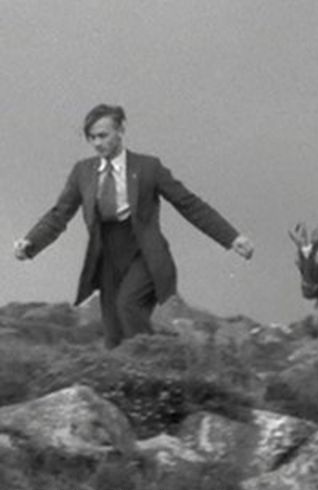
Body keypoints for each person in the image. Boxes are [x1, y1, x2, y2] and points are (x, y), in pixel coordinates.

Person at [13, 104, 254, 348]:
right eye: (92, 137)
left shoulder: (149, 168)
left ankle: (160, 363)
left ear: (120, 130)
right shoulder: (82, 172)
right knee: (114, 334)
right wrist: (31, 243)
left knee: (128, 306)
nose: (97, 143)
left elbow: (189, 204)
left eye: (103, 135)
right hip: (107, 256)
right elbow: (59, 215)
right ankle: (132, 379)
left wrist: (232, 238)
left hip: (145, 253)